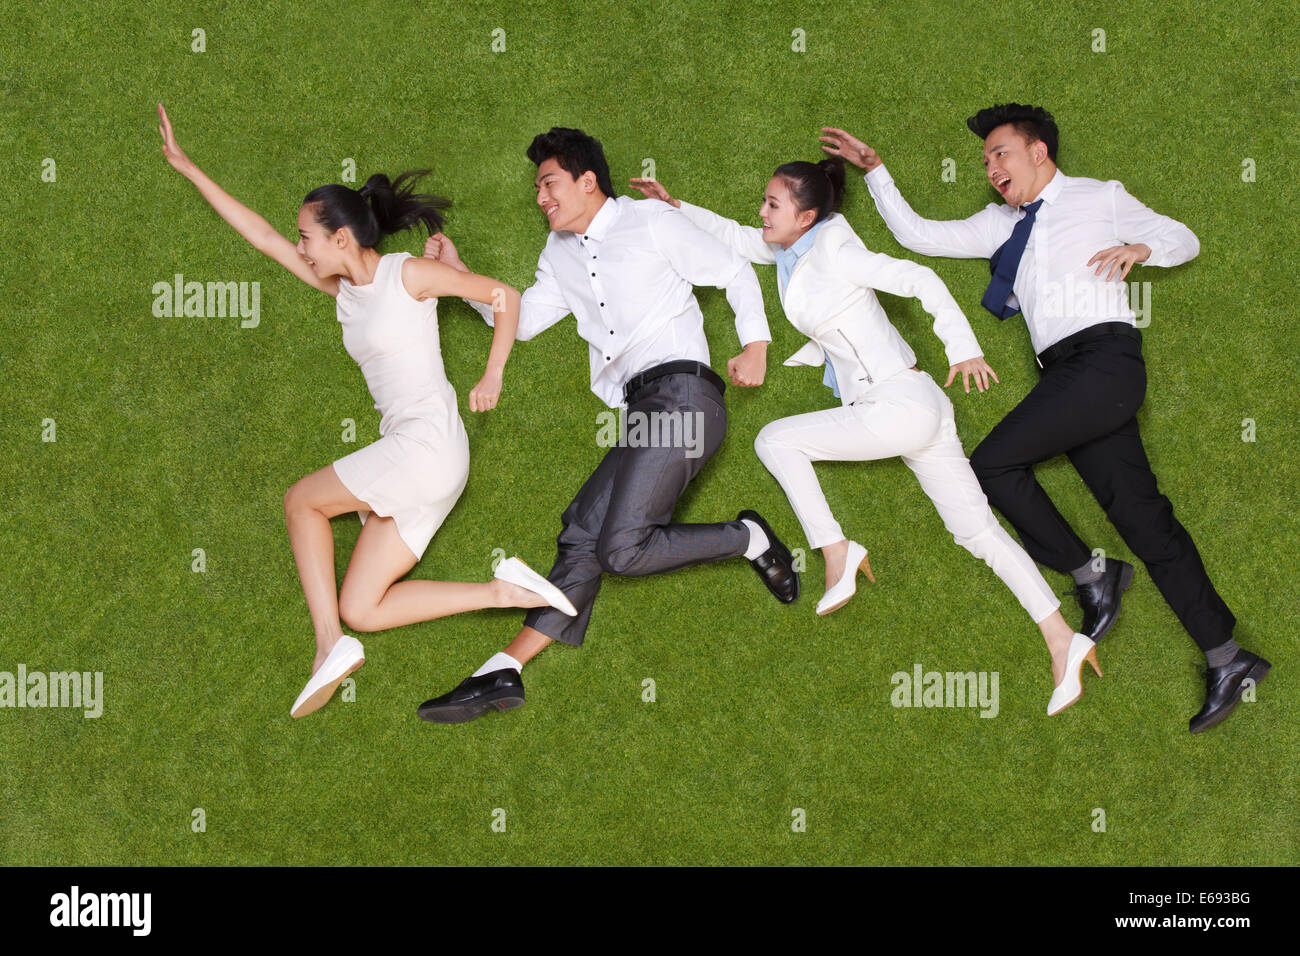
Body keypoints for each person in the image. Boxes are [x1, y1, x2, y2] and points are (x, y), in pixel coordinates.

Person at [821, 105, 1270, 732]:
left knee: (993, 462)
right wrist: (875, 172)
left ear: (1039, 152)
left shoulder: (1098, 197)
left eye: (1000, 153)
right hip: (1067, 376)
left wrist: (1143, 246)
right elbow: (918, 236)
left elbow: (1183, 237)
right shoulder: (999, 225)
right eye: (984, 161)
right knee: (1143, 517)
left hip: (1106, 361)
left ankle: (1092, 574)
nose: (990, 168)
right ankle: (1228, 656)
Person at [630, 158, 1097, 715]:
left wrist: (963, 348)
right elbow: (736, 237)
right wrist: (674, 206)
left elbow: (918, 278)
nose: (761, 211)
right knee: (979, 534)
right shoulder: (789, 249)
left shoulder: (834, 249)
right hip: (914, 407)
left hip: (896, 399)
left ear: (806, 217)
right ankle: (1063, 639)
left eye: (772, 205)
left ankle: (836, 549)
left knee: (775, 441)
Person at [156, 104, 578, 719]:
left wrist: (493, 371)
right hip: (430, 463)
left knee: (302, 501)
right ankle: (504, 588)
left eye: (307, 235)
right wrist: (189, 168)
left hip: (425, 446)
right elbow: (263, 238)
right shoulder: (342, 290)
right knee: (362, 605)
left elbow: (502, 296)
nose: (299, 245)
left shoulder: (405, 275)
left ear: (341, 238)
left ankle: (328, 645)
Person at [415, 127, 799, 724]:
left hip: (686, 398)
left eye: (549, 184)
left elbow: (732, 271)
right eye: (538, 187)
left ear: (587, 181)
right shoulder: (558, 255)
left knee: (622, 551)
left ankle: (749, 538)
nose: (540, 197)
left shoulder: (650, 222)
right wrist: (463, 274)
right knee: (581, 535)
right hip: (641, 415)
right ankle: (503, 669)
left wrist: (757, 345)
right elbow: (525, 320)